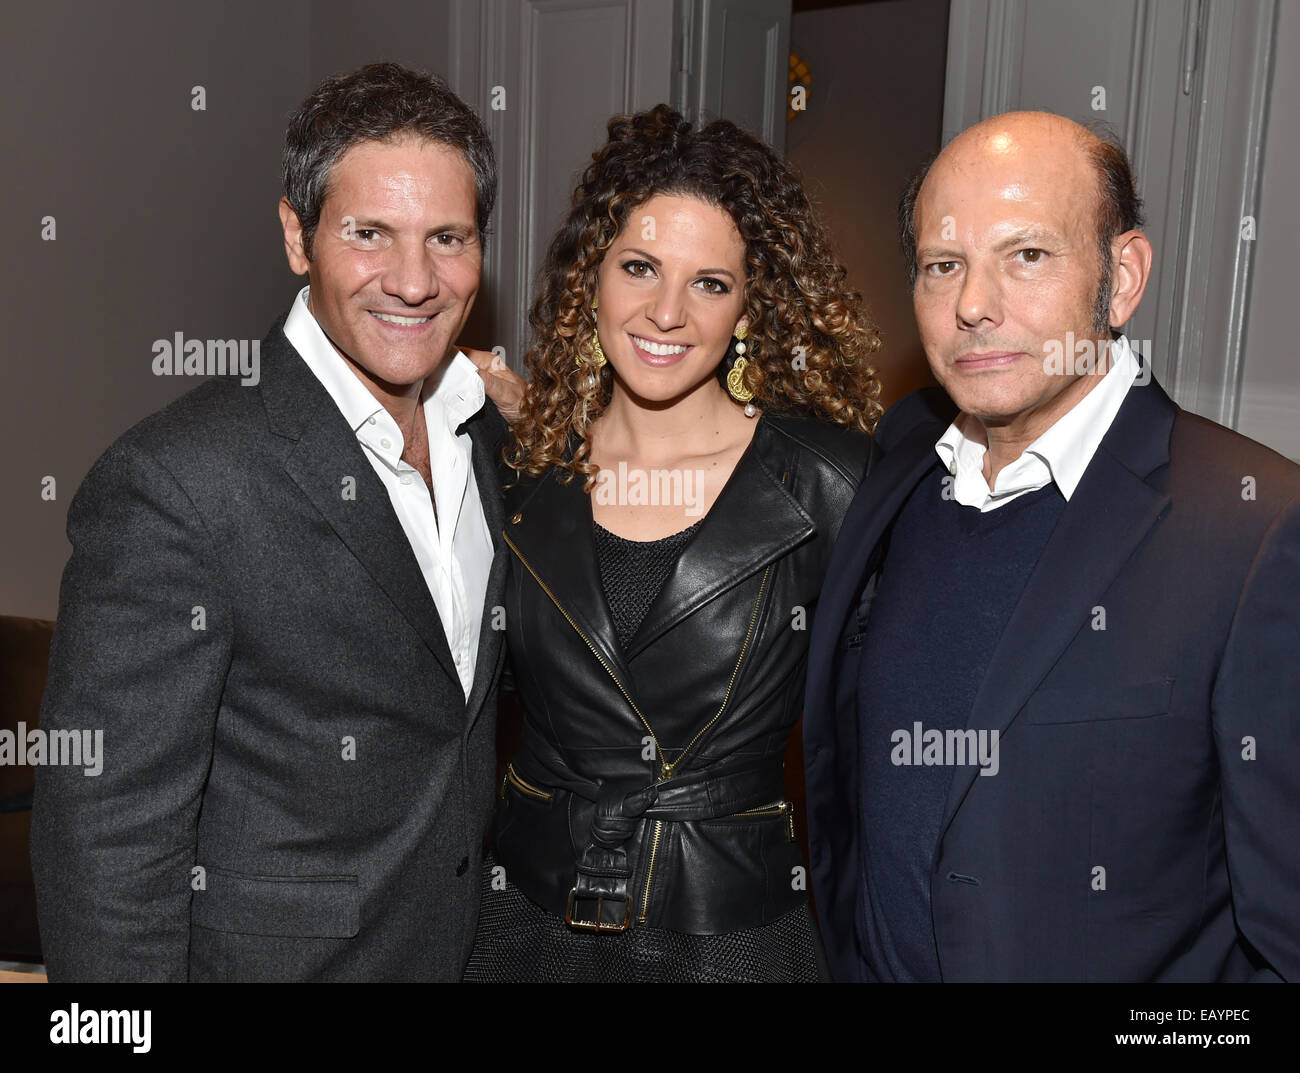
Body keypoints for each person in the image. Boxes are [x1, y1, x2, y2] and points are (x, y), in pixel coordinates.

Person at [31, 63, 514, 981]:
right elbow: (106, 844)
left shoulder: (481, 432)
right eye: (370, 233)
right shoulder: (176, 482)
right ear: (298, 236)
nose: (415, 282)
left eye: (447, 237)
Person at [804, 110, 1300, 982]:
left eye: (1027, 254)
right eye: (942, 265)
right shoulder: (899, 459)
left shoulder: (1256, 528)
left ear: (1123, 277)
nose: (973, 304)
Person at [462, 104, 882, 983]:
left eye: (710, 283)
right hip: (529, 924)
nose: (666, 312)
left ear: (751, 304)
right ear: (593, 276)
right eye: (640, 267)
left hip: (729, 936)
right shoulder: (517, 467)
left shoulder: (831, 485)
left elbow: (881, 746)